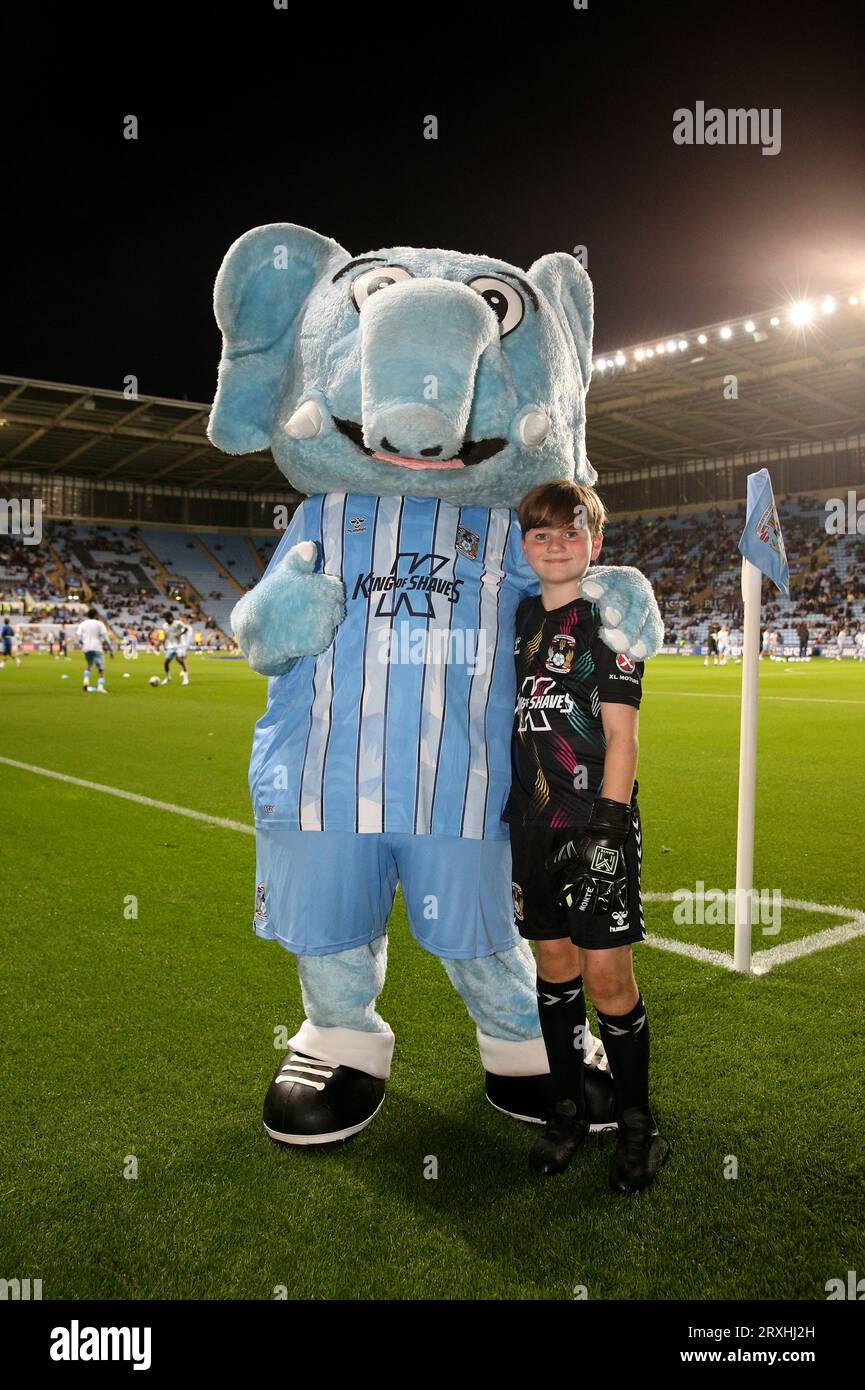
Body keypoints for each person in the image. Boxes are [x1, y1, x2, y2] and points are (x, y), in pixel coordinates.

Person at [505, 479, 665, 1194]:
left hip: (593, 824)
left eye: (570, 533)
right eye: (540, 534)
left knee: (607, 977)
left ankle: (637, 1126)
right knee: (554, 969)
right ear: (523, 546)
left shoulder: (609, 620)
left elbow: (622, 738)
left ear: (593, 543)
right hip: (532, 827)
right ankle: (565, 1111)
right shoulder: (517, 620)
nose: (555, 545)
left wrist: (606, 823)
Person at [76, 608, 112, 693]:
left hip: (86, 648)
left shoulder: (82, 624)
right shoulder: (100, 624)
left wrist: (83, 643)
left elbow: (79, 638)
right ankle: (100, 687)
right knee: (101, 669)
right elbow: (106, 639)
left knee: (89, 664)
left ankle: (86, 681)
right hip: (97, 648)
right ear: (96, 615)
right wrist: (110, 650)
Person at [161, 611, 190, 685]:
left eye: (166, 618)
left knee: (179, 659)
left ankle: (185, 678)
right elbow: (166, 635)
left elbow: (186, 629)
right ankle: (168, 677)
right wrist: (163, 644)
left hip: (179, 646)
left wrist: (180, 634)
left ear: (170, 618)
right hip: (170, 646)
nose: (165, 620)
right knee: (166, 663)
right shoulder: (164, 625)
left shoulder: (178, 623)